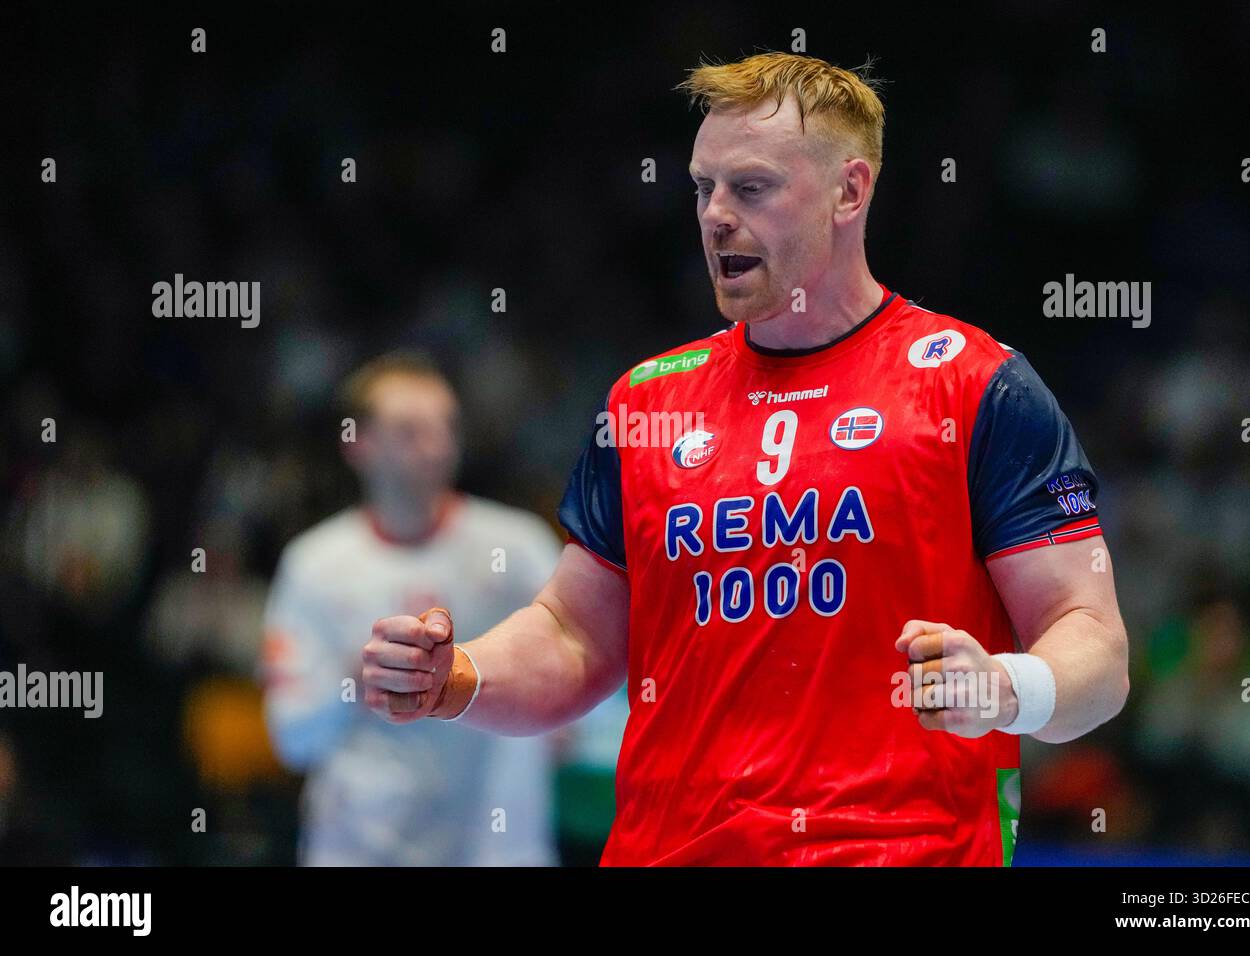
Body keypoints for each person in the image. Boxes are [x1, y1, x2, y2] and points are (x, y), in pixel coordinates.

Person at [362, 53, 1130, 866]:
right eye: (702, 188)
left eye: (751, 188)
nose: (715, 216)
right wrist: (459, 679)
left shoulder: (975, 385)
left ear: (850, 191)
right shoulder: (644, 405)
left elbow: (1096, 648)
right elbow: (574, 635)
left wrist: (1009, 688)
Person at [262, 352, 560, 865]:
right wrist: (366, 673)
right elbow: (293, 736)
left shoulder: (519, 551)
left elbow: (582, 686)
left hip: (496, 848)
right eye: (409, 430)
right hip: (358, 849)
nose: (437, 447)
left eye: (446, 427)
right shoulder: (312, 565)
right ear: (357, 443)